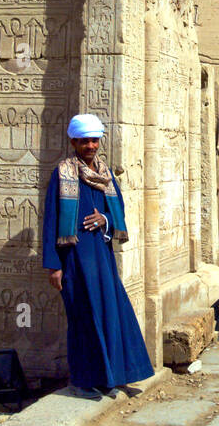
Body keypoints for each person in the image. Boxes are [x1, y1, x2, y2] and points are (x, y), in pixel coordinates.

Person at [41, 113, 153, 398]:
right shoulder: (63, 172)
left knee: (113, 314)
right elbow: (51, 219)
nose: (90, 146)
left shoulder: (104, 173)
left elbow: (118, 211)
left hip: (101, 258)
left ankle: (112, 377)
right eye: (84, 141)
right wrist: (54, 266)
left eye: (94, 140)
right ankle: (84, 381)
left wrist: (105, 218)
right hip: (75, 260)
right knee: (84, 318)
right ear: (73, 141)